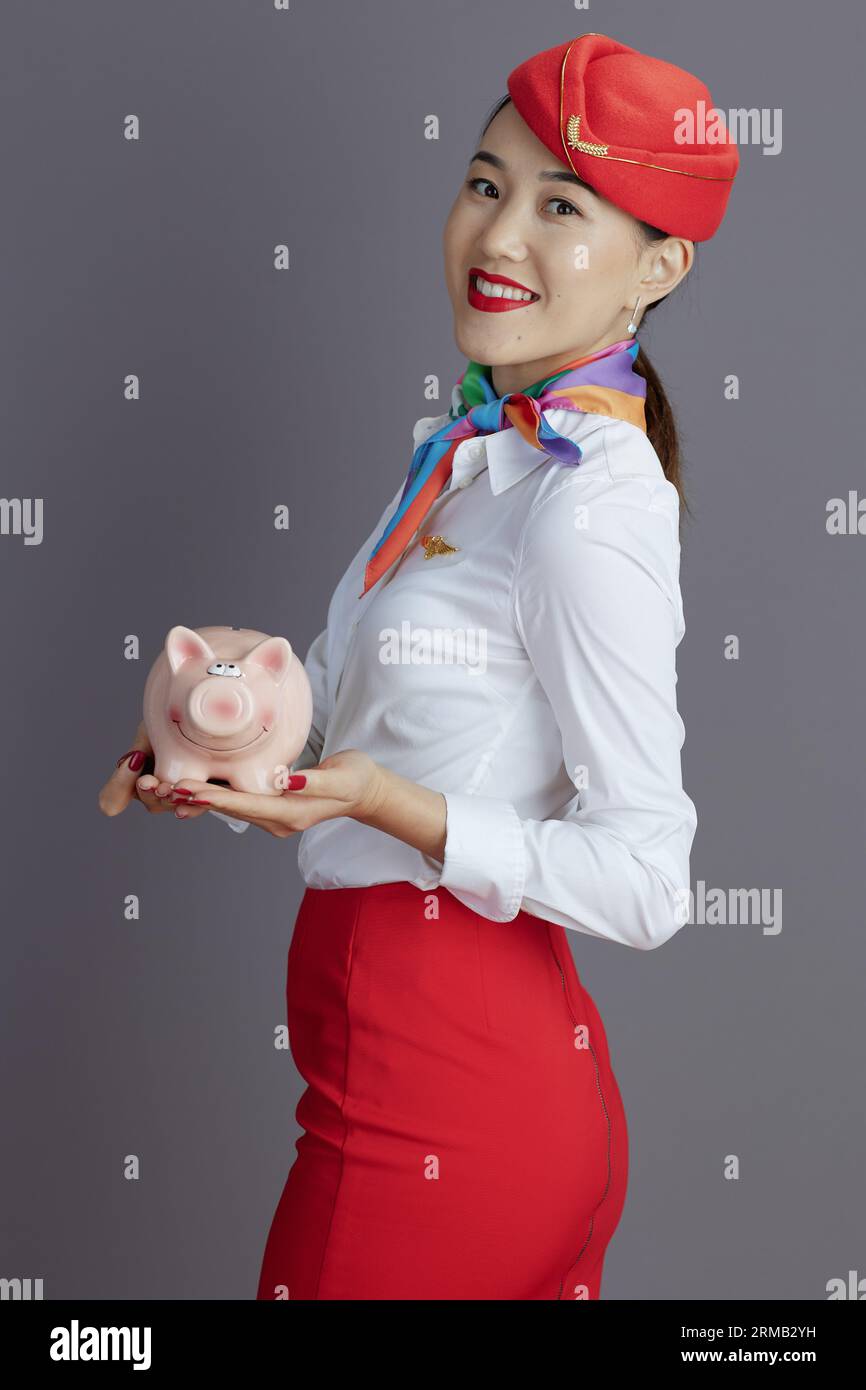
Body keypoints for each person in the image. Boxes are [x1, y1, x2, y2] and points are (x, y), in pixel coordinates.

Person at [99, 32, 739, 1299]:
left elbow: (649, 879)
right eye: (485, 185)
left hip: (441, 1106)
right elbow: (370, 704)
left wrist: (389, 806)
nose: (498, 238)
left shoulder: (583, 502)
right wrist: (227, 728)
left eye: (560, 207)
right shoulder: (471, 450)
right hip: (433, 1080)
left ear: (655, 267)